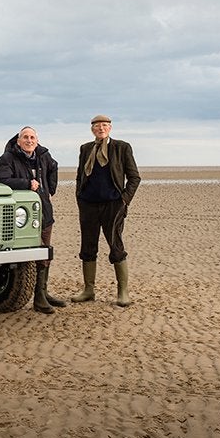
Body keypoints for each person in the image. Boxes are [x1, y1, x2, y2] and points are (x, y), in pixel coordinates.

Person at [0, 126, 64, 314]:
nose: (29, 141)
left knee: (45, 253)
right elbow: (0, 181)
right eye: (25, 137)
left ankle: (42, 294)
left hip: (44, 212)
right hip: (22, 217)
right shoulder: (7, 158)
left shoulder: (43, 155)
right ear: (18, 141)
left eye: (32, 137)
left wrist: (49, 190)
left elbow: (54, 167)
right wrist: (26, 184)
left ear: (37, 140)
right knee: (33, 254)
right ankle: (37, 298)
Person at [72, 115, 141, 307]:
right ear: (92, 129)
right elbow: (80, 176)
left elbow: (134, 177)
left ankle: (123, 291)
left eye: (104, 125)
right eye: (97, 126)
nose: (100, 128)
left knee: (116, 245)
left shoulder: (122, 147)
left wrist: (124, 200)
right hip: (88, 205)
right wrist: (80, 196)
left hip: (113, 205)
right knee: (88, 247)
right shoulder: (85, 148)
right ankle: (88, 290)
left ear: (110, 128)